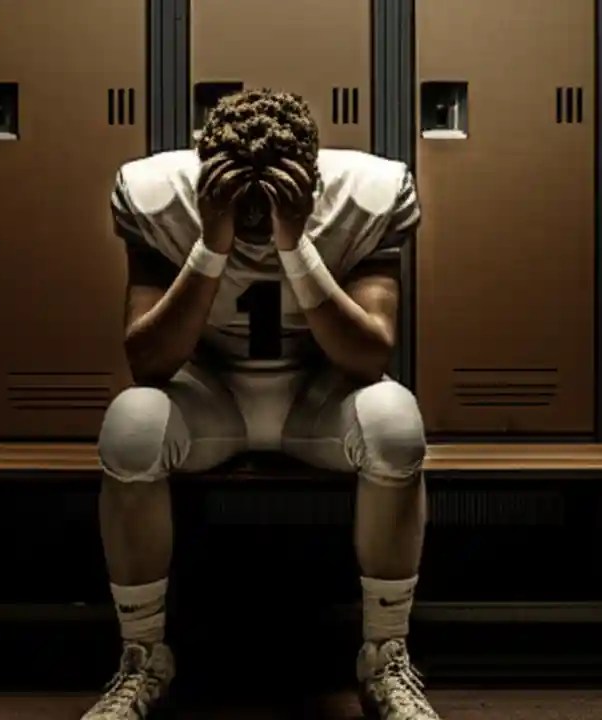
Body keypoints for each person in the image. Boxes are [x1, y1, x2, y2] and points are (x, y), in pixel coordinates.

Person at [83, 88, 439, 720]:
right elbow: (149, 361)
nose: (253, 210)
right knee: (131, 422)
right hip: (208, 396)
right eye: (237, 193)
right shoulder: (160, 194)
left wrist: (295, 241)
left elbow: (367, 357)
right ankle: (142, 657)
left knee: (395, 419)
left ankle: (384, 654)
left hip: (318, 396)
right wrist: (210, 243)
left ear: (313, 177)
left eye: (270, 191)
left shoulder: (365, 194)